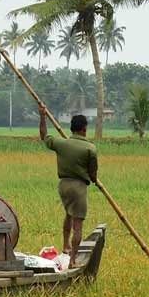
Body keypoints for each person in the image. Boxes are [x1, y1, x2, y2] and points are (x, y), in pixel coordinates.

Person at [39, 106, 98, 267]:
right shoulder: (90, 148)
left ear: (72, 128)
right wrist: (94, 180)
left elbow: (44, 136)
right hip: (78, 187)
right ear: (84, 129)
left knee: (68, 214)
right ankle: (72, 260)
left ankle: (66, 245)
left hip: (63, 186)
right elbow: (93, 174)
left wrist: (42, 116)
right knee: (78, 225)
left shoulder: (61, 143)